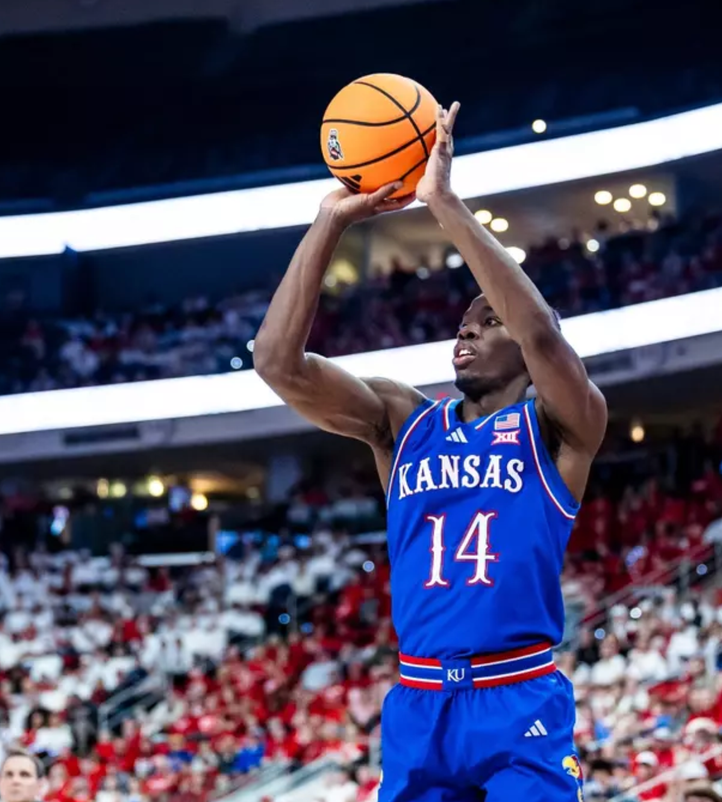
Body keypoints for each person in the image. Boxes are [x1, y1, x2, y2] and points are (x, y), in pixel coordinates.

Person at [254, 100, 607, 802]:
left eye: (487, 322)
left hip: (518, 696)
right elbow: (276, 363)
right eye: (462, 323)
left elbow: (540, 333)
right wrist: (330, 221)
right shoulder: (401, 419)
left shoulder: (562, 426)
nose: (465, 333)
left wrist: (442, 203)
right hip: (418, 700)